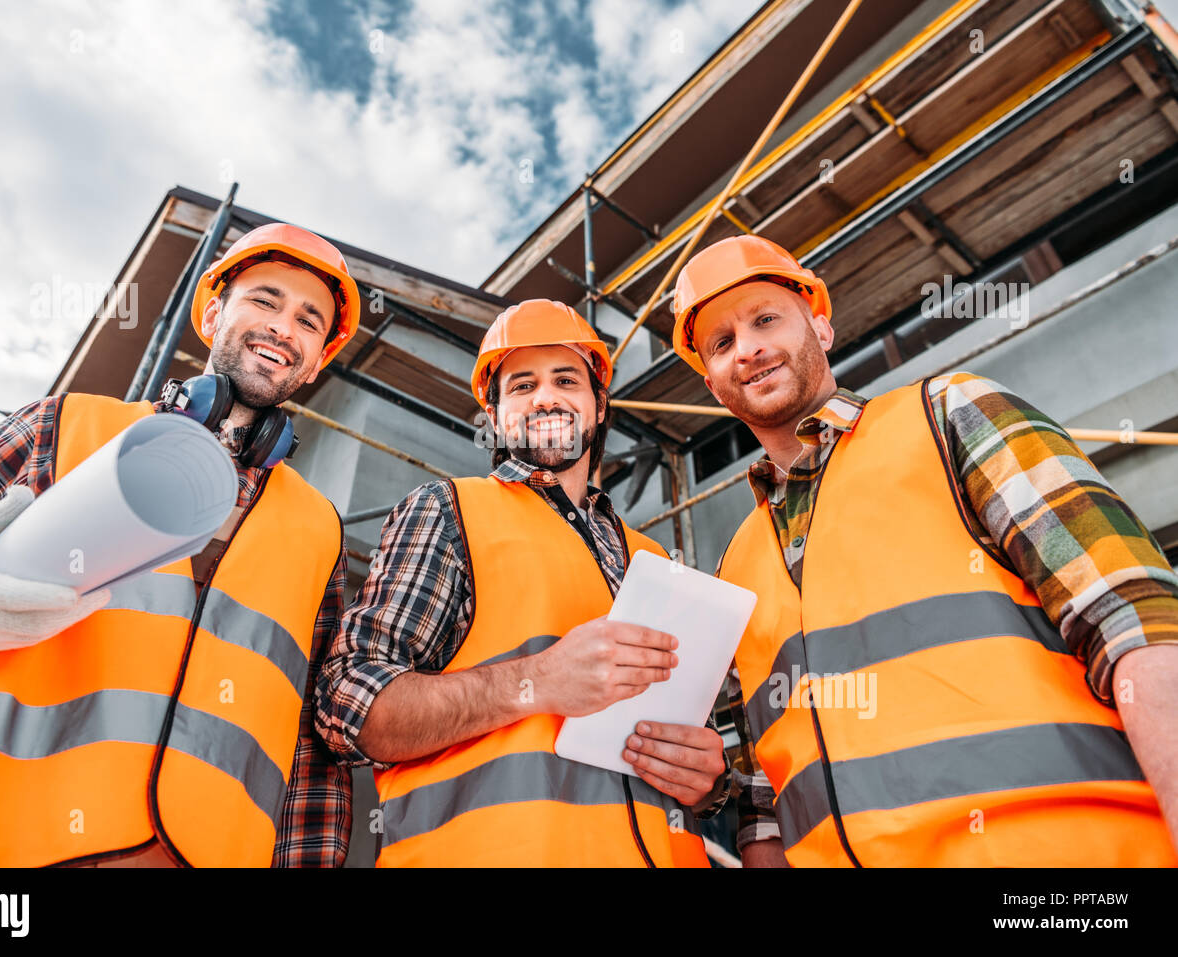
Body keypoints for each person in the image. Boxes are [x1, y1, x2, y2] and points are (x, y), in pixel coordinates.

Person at [671, 233, 1178, 867]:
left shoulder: (949, 415)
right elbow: (763, 801)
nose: (748, 348)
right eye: (721, 343)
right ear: (714, 384)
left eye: (765, 319)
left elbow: (1135, 621)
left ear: (821, 328)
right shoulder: (736, 566)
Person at [0, 222, 359, 868]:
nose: (283, 327)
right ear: (214, 313)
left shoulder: (318, 529)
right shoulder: (68, 425)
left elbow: (306, 754)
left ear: (319, 358)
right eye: (265, 301)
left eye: (308, 320)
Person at [317, 299, 726, 866]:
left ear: (599, 403)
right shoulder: (448, 510)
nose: (546, 397)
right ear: (494, 414)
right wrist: (537, 681)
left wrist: (706, 781)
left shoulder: (653, 559)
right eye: (522, 385)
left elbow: (690, 747)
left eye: (565, 379)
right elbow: (348, 707)